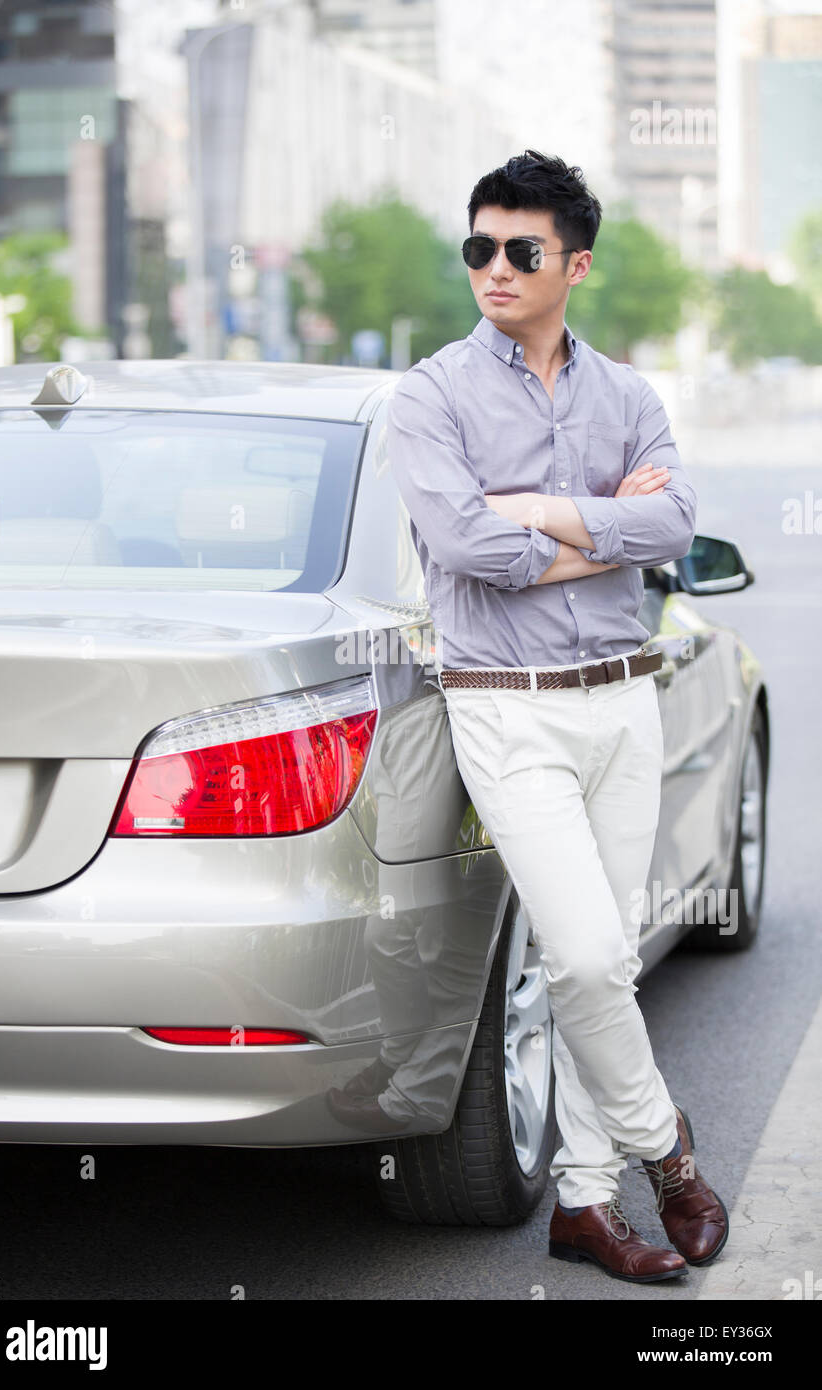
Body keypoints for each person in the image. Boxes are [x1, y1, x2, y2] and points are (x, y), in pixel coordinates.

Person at [386, 148, 728, 1284]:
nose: (491, 266)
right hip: (503, 712)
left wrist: (534, 512)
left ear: (571, 264)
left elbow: (672, 521)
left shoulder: (628, 395)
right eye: (476, 246)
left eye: (517, 250)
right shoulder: (430, 392)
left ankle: (584, 1206)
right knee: (580, 956)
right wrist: (594, 532)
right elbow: (461, 548)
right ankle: (667, 1153)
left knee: (606, 968)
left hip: (622, 701)